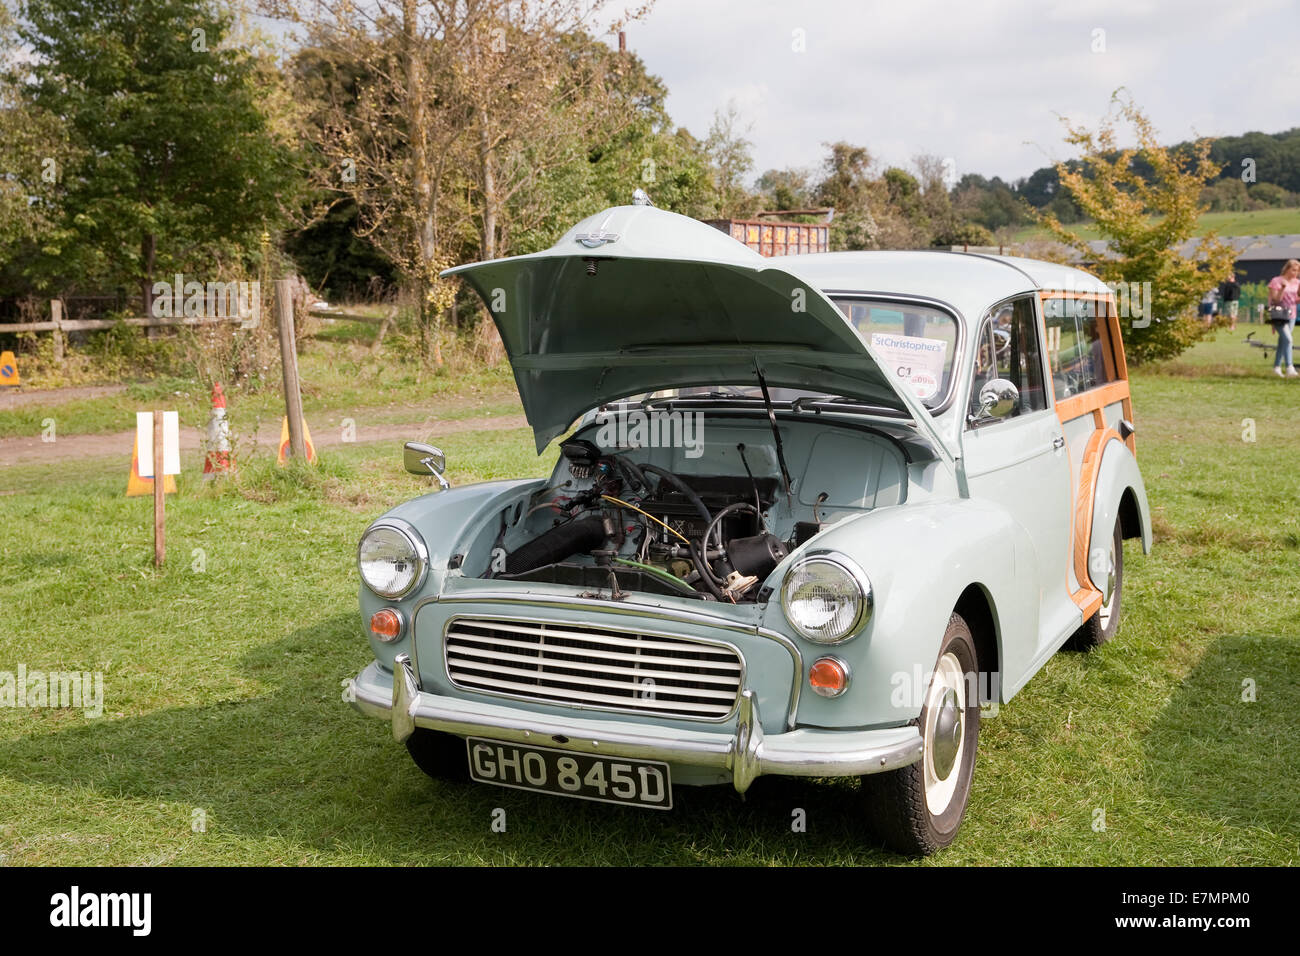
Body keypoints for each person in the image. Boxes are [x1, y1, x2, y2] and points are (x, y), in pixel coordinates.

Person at [1267, 259, 1300, 378]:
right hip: (1278, 315)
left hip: (1291, 314)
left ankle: (1276, 367)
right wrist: (1282, 288)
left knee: (1283, 341)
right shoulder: (1276, 281)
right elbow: (1276, 300)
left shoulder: (1297, 282)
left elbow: (1295, 300)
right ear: (1287, 269)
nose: (1295, 273)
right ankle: (1290, 367)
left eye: (1297, 271)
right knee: (1289, 340)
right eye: (1293, 270)